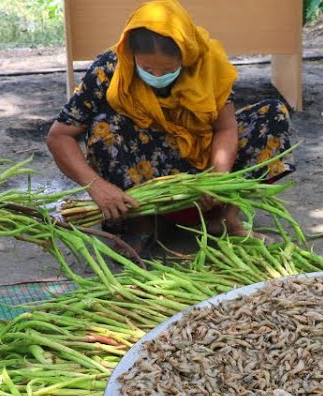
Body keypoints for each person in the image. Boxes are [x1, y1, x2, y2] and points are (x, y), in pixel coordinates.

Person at [46, 0, 293, 241]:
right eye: (147, 69)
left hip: (201, 173)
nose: (156, 76)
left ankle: (223, 217)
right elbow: (59, 136)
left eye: (167, 70)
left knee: (272, 114)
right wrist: (96, 186)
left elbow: (225, 128)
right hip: (143, 184)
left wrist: (217, 179)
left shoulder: (204, 63)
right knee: (105, 127)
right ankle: (141, 225)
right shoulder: (111, 67)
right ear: (131, 54)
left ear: (185, 57)